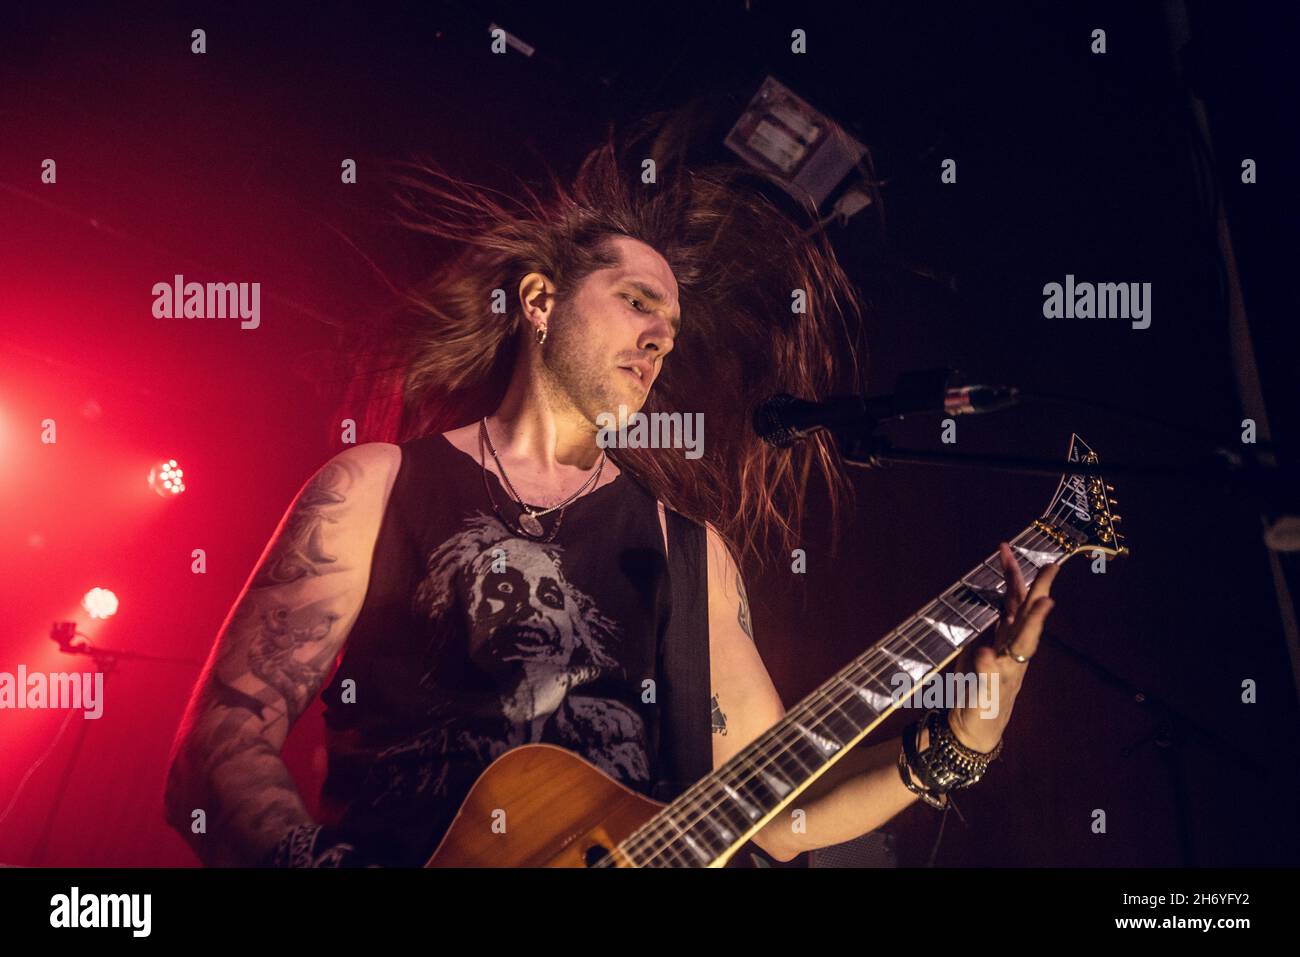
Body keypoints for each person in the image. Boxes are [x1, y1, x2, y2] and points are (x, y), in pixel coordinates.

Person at [162, 131, 1058, 867]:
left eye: (667, 331)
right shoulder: (376, 486)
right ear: (543, 302)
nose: (657, 341)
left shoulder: (684, 547)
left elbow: (775, 812)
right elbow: (221, 738)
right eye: (635, 305)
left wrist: (957, 743)